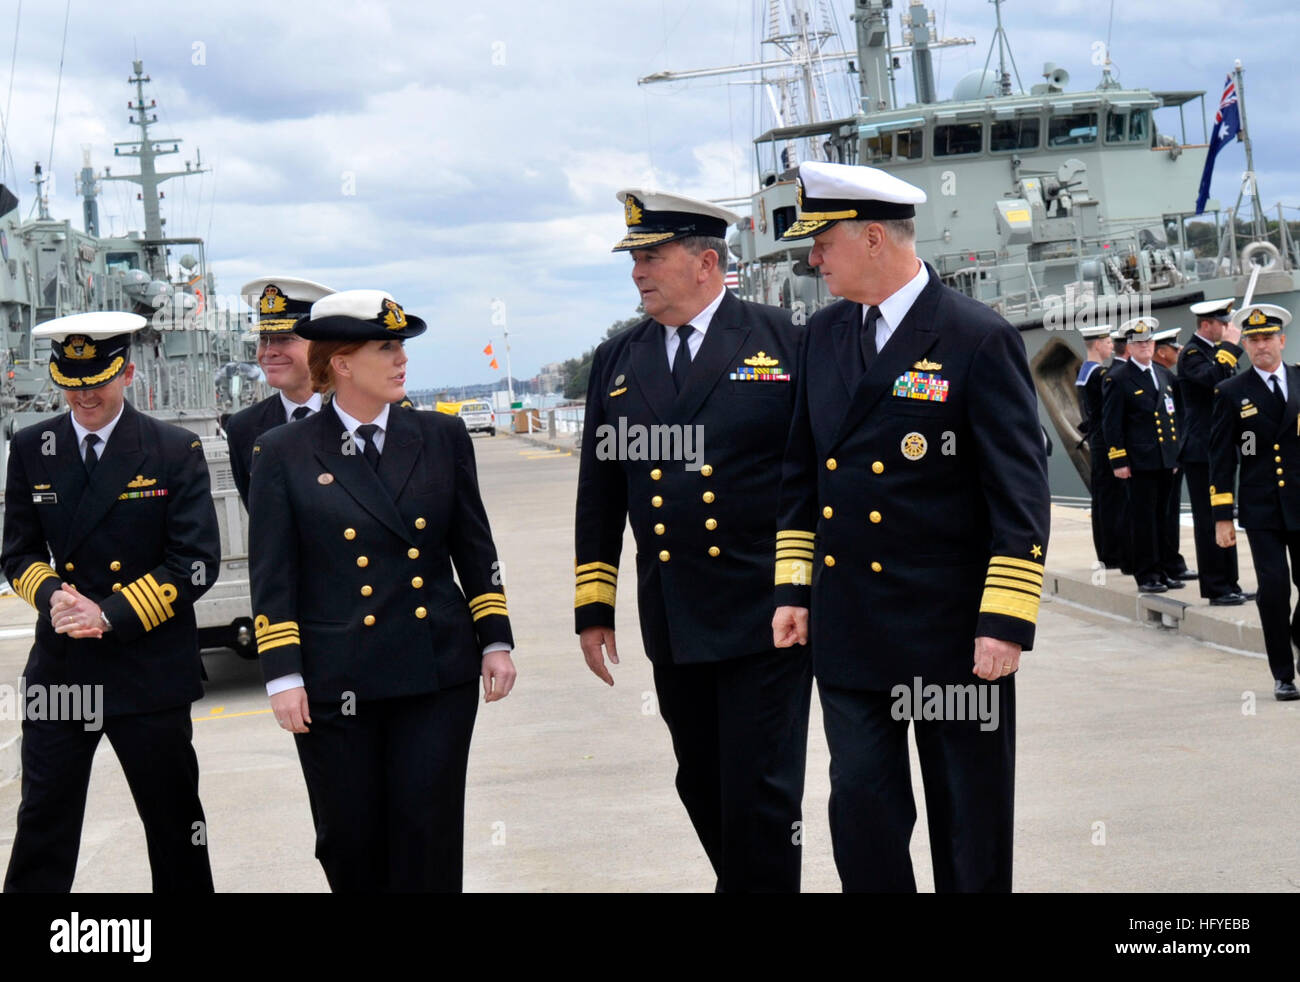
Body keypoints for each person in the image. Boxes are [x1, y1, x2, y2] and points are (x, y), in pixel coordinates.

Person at [771, 161, 1050, 892]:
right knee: (860, 810)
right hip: (851, 631)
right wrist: (792, 593)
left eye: (821, 242)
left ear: (870, 239)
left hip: (953, 633)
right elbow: (801, 473)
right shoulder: (822, 336)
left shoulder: (974, 338)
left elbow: (1019, 494)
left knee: (970, 820)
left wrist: (1005, 622)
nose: (812, 258)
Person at [575, 188, 812, 891]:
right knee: (700, 780)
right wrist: (594, 606)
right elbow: (600, 492)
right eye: (635, 260)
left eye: (652, 257)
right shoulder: (618, 361)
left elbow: (814, 475)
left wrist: (807, 583)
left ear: (706, 262)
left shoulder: (780, 340)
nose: (638, 273)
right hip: (675, 613)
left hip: (766, 610)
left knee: (761, 790)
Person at [247, 290, 517, 890]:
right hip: (334, 676)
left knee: (429, 830)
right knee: (348, 838)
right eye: (386, 347)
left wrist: (495, 639)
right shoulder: (282, 451)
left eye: (401, 347)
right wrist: (282, 675)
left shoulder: (442, 436)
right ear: (341, 363)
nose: (401, 360)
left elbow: (475, 549)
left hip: (435, 670)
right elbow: (273, 573)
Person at [2, 311, 220, 892]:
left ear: (126, 373)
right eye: (71, 382)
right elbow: (17, 554)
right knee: (43, 818)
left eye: (96, 379)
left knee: (175, 821)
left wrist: (110, 614)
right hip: (62, 666)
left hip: (147, 665)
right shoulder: (31, 448)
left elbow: (195, 561)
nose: (83, 395)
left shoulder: (174, 449)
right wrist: (55, 598)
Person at [1209, 303, 1300, 701]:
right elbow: (1221, 458)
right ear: (1245, 344)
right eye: (1254, 339)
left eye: (1268, 338)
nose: (1262, 345)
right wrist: (1221, 517)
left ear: (1282, 340)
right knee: (1275, 588)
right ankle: (1283, 673)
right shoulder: (1232, 392)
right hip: (1261, 507)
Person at [224, 277, 335, 507]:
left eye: (284, 339)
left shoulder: (357, 413)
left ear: (319, 345)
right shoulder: (243, 428)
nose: (269, 352)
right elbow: (259, 515)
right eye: (264, 340)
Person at [1102, 318, 1183, 593]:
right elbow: (1112, 424)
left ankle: (1163, 570)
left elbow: (1175, 416)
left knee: (1163, 517)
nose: (1145, 346)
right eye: (1138, 342)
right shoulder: (1118, 379)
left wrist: (1174, 455)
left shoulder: (1163, 375)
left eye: (1148, 341)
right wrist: (1119, 460)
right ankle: (1147, 574)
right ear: (1129, 347)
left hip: (1163, 459)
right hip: (1138, 461)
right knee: (1143, 520)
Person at [1178, 297, 1247, 604]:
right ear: (1206, 324)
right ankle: (1216, 586)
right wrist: (1231, 347)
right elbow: (1214, 381)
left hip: (1221, 446)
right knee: (1209, 520)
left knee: (1225, 515)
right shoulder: (1192, 354)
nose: (1227, 328)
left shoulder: (1213, 353)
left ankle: (1230, 582)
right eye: (1222, 323)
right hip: (1201, 450)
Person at [1152, 327, 1197, 584]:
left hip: (1173, 454)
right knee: (1164, 512)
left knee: (1169, 512)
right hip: (1164, 456)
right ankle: (1167, 563)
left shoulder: (1167, 377)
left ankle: (1171, 561)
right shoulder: (1161, 377)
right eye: (1174, 347)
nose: (1179, 351)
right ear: (1162, 352)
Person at [1076, 325, 1118, 568]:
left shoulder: (1085, 371)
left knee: (1102, 498)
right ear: (1099, 344)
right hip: (1104, 439)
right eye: (1109, 342)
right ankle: (1112, 552)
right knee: (1110, 498)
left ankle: (1105, 551)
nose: (1111, 346)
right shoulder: (1099, 374)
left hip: (1095, 438)